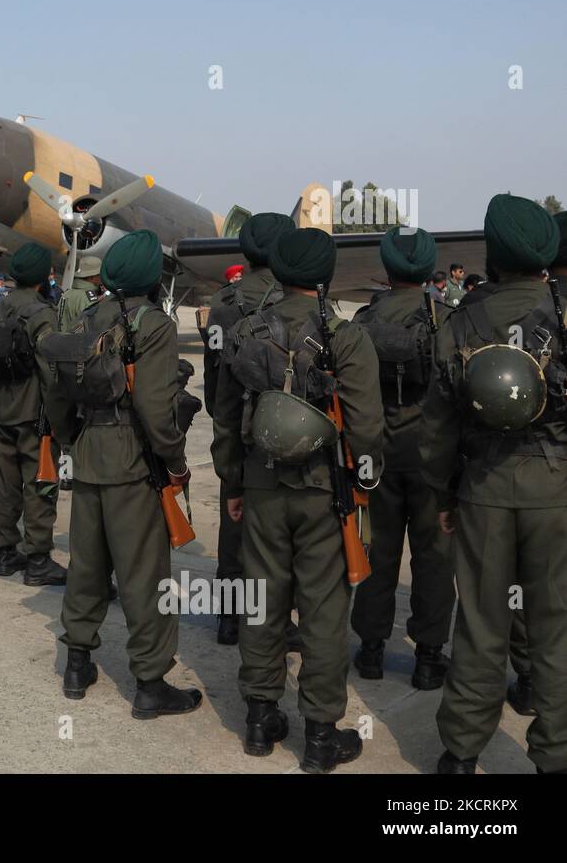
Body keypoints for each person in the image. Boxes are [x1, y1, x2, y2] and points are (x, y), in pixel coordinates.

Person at [212, 228, 384, 772]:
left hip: (261, 486)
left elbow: (225, 415)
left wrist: (234, 484)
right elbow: (368, 427)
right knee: (325, 610)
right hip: (323, 491)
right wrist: (361, 485)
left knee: (260, 599)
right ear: (324, 275)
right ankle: (318, 735)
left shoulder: (244, 330)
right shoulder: (345, 335)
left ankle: (260, 721)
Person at [423, 194, 567, 774]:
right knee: (556, 627)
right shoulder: (561, 311)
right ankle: (555, 755)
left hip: (481, 486)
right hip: (555, 487)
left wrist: (442, 494)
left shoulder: (461, 319)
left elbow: (438, 425)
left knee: (481, 622)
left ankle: (460, 754)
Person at [52, 230, 202, 718]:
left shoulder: (86, 316)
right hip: (134, 461)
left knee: (87, 565)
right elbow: (155, 407)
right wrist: (174, 459)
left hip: (89, 452)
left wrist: (69, 438)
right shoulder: (153, 324)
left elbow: (58, 392)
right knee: (144, 576)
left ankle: (77, 663)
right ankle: (151, 682)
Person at [349, 227, 454, 690]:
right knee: (433, 558)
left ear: (387, 268)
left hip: (376, 456)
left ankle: (371, 649)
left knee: (377, 551)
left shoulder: (363, 320)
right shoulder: (447, 318)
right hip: (432, 458)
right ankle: (429, 658)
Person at [198, 212, 294, 644]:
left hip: (235, 424)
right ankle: (276, 619)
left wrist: (223, 418)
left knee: (232, 521)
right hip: (282, 428)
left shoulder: (223, 304)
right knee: (279, 532)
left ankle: (229, 618)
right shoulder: (291, 300)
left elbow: (215, 373)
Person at [0, 243, 67, 586]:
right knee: (41, 483)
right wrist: (62, 417)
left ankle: (5, 553)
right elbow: (51, 372)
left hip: (1, 409)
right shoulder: (41, 313)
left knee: (7, 481)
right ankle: (37, 559)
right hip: (35, 414)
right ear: (41, 277)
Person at [57, 255, 105, 330]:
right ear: (91, 277)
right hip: (76, 340)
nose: (102, 277)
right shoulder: (87, 297)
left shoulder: (67, 293)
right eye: (99, 275)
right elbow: (90, 326)